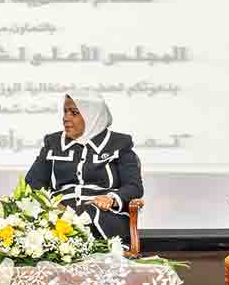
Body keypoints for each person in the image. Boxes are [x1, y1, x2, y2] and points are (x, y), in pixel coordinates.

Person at [25, 90, 143, 243]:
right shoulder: (53, 143)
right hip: (58, 215)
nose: (66, 118)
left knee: (84, 222)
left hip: (103, 217)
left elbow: (134, 186)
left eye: (74, 113)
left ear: (92, 115)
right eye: (65, 112)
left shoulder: (119, 144)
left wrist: (111, 198)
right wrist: (52, 205)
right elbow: (32, 183)